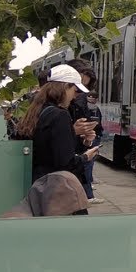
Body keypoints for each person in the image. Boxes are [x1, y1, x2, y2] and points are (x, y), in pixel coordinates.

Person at [13, 64, 98, 187]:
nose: (75, 96)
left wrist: (81, 140)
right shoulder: (60, 115)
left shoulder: (36, 110)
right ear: (65, 87)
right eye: (75, 90)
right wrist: (86, 157)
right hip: (53, 188)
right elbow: (65, 163)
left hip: (35, 182)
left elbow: (46, 145)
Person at [65, 58, 104, 204]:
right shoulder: (57, 112)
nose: (79, 93)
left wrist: (85, 141)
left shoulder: (74, 106)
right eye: (76, 87)